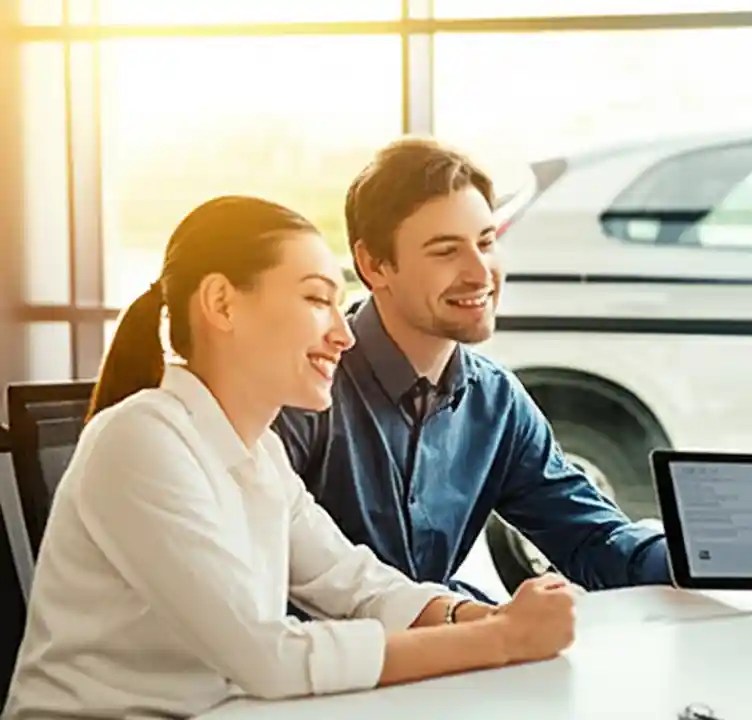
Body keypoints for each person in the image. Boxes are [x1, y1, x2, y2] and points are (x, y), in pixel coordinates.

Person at [2, 196, 575, 719]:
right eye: (316, 299)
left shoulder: (261, 454)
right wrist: (498, 642)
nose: (343, 335)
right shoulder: (140, 439)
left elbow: (355, 584)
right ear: (222, 303)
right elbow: (266, 655)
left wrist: (484, 617)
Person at [272, 138, 669, 605]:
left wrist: (699, 554)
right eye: (446, 251)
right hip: (328, 668)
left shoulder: (495, 401)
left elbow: (592, 541)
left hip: (442, 657)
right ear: (374, 265)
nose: (481, 274)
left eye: (485, 242)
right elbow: (270, 592)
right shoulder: (302, 387)